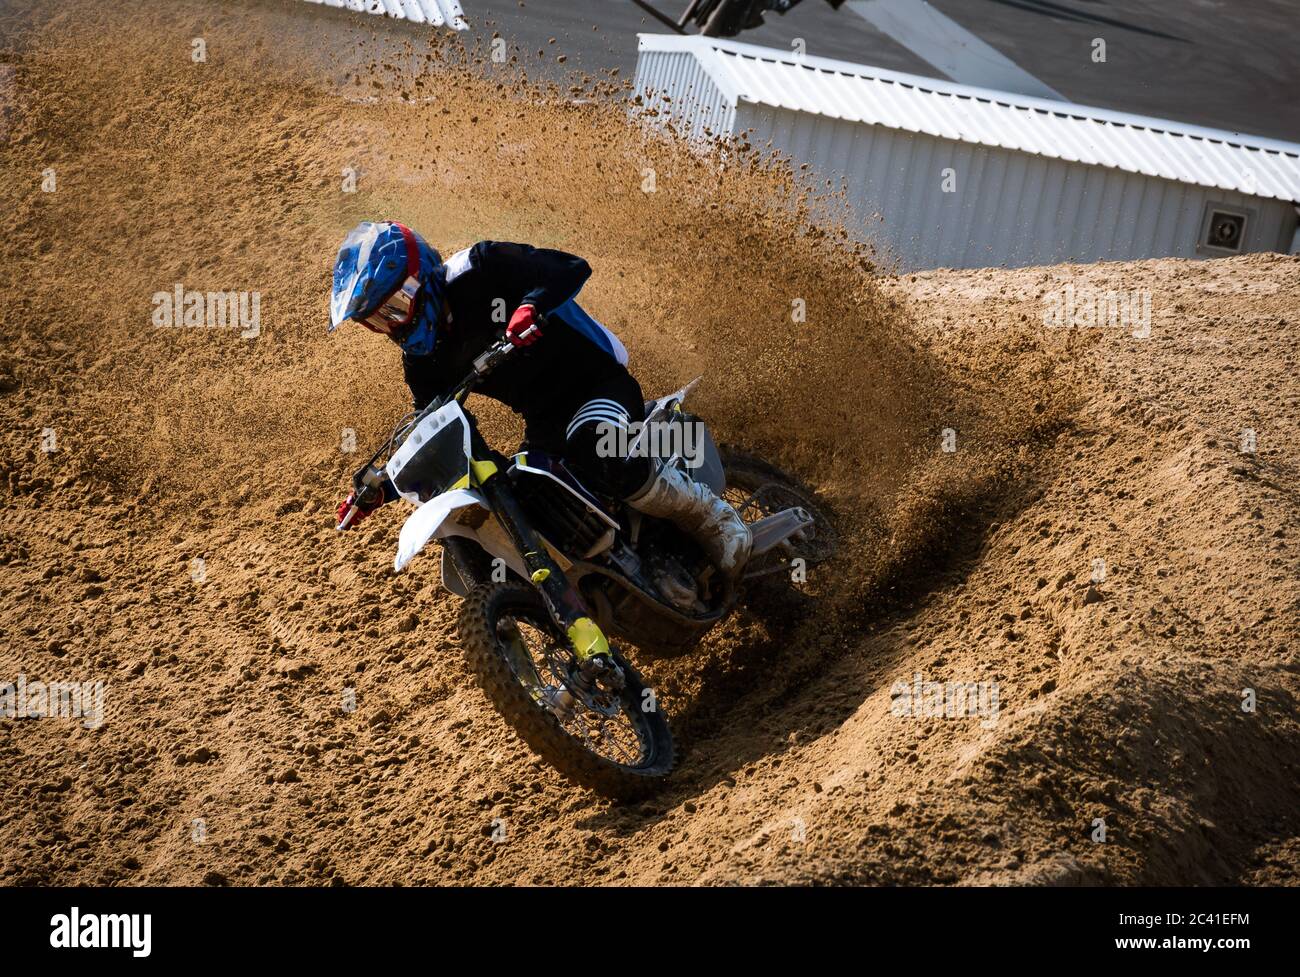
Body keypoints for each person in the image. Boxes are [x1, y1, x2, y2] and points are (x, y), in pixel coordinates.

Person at [329, 221, 751, 575]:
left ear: (418, 278)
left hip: (597, 384)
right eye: (377, 320)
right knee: (521, 498)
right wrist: (383, 487)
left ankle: (711, 516)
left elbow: (568, 268)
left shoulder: (481, 267)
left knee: (597, 447)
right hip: (545, 424)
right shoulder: (423, 365)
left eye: (396, 306)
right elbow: (435, 425)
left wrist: (531, 305)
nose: (394, 326)